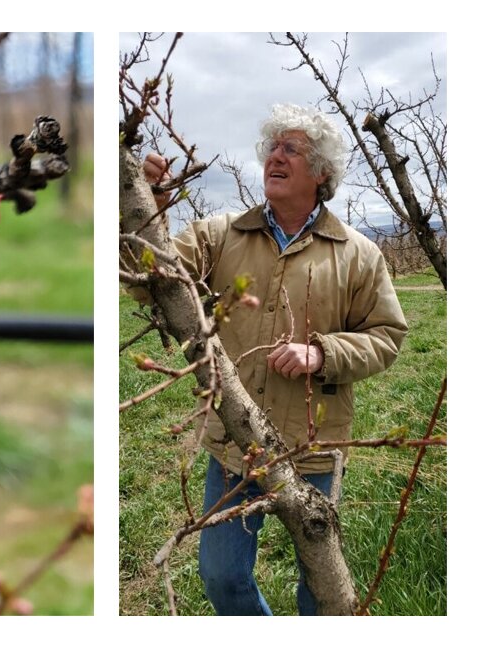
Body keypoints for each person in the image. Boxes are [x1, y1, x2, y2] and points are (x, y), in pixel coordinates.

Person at [142, 104, 408, 615]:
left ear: (322, 172)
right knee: (221, 576)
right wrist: (151, 207)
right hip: (236, 442)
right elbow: (150, 278)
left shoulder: (358, 254)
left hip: (313, 445)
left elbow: (388, 335)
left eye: (292, 149)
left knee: (319, 585)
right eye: (272, 147)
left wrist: (323, 352)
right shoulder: (220, 236)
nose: (275, 157)